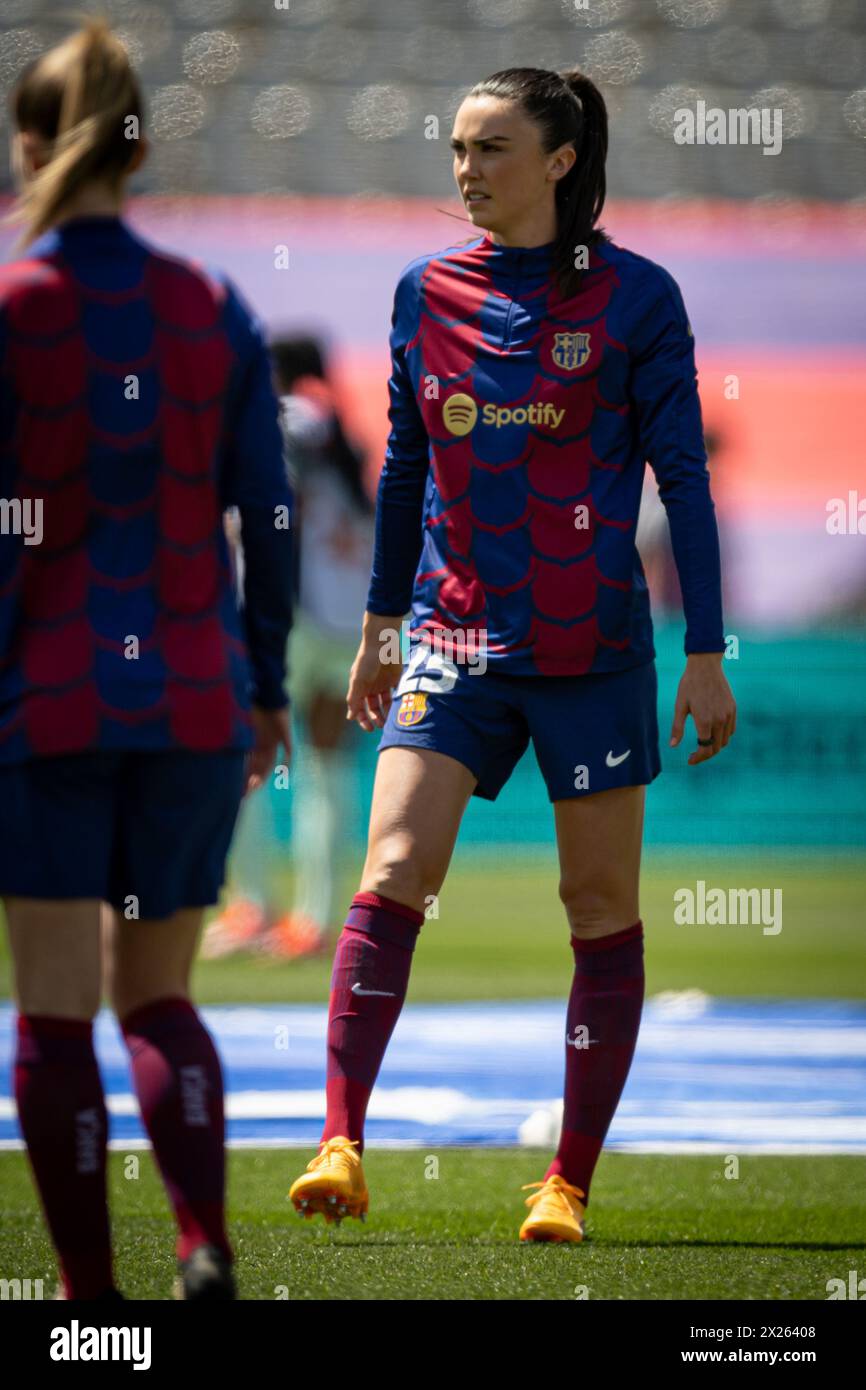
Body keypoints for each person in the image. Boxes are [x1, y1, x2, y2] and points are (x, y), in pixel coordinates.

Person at [289, 66, 736, 1242]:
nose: (463, 170)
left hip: (591, 649)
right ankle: (339, 1141)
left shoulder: (637, 300)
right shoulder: (421, 291)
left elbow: (682, 478)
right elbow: (398, 472)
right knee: (391, 866)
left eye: (489, 148)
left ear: (558, 161)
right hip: (450, 636)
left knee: (594, 905)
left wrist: (705, 649)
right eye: (454, 147)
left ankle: (565, 1182)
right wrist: (383, 622)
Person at [0, 20, 293, 1298]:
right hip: (191, 696)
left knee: (56, 1014)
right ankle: (203, 1243)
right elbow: (268, 515)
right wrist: (270, 685)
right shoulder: (213, 306)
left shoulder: (14, 306)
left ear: (26, 148)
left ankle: (89, 1301)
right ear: (143, 145)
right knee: (161, 1003)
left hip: (43, 700)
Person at [204, 336, 374, 960]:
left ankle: (254, 906)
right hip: (349, 623)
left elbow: (274, 510)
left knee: (244, 761)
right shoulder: (345, 439)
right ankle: (315, 919)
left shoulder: (283, 422)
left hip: (286, 621)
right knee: (326, 773)